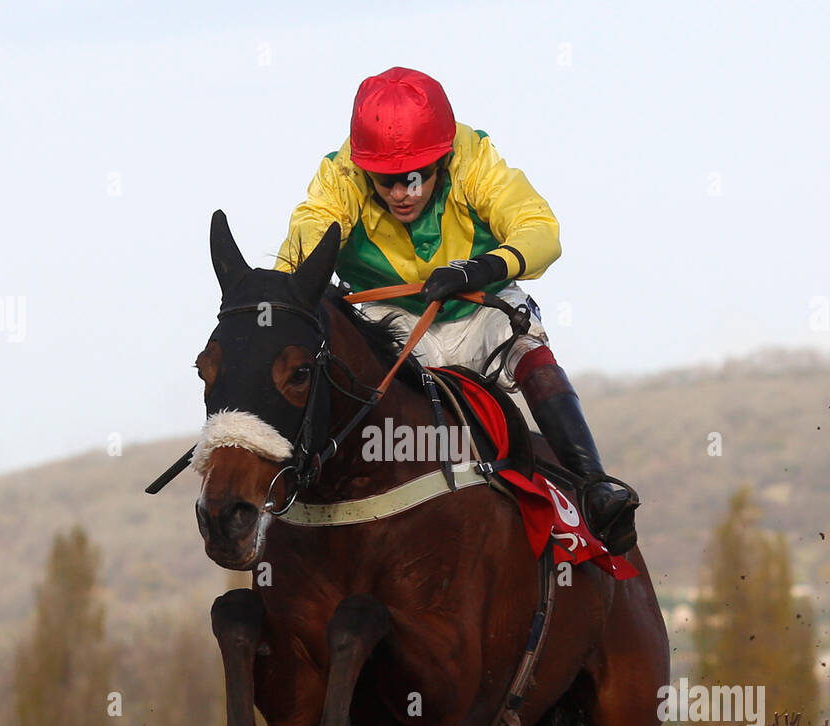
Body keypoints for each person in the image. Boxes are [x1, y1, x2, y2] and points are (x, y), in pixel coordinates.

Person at [274, 66, 640, 553]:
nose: (402, 193)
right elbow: (302, 246)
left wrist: (479, 269)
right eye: (385, 181)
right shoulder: (340, 176)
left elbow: (541, 231)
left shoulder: (474, 156)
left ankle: (595, 484)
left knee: (522, 337)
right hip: (390, 326)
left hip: (479, 302)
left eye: (414, 177)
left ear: (442, 158)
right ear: (365, 170)